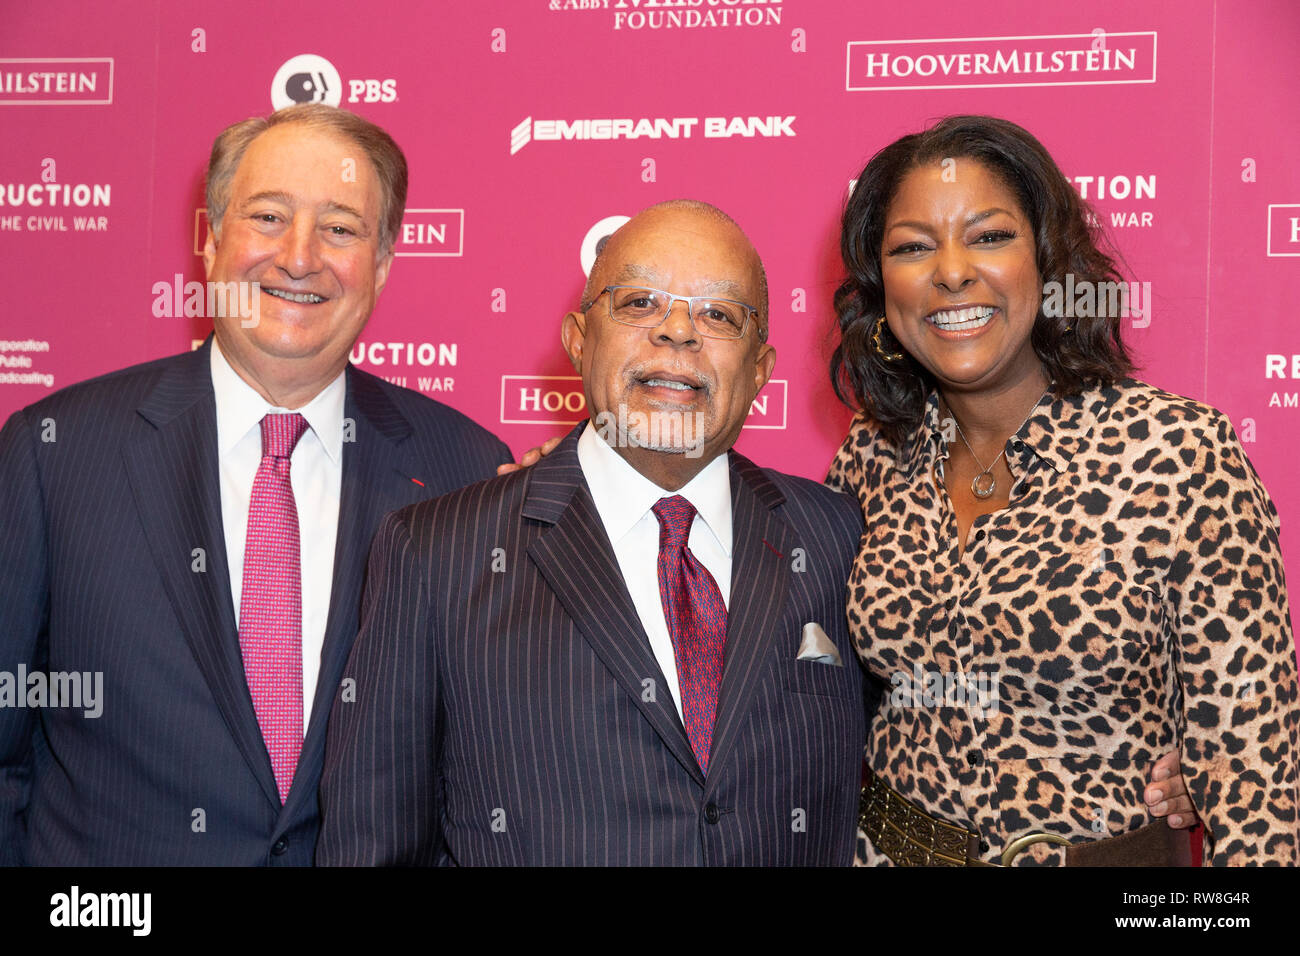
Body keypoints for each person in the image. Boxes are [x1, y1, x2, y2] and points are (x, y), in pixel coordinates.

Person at [0, 104, 511, 865]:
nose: (299, 257)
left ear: (382, 262)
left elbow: (480, 779)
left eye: (340, 228)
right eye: (268, 217)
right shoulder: (53, 452)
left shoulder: (464, 470)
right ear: (209, 241)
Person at [318, 200, 867, 865]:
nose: (678, 333)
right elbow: (374, 844)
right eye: (639, 303)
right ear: (579, 340)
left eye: (719, 315)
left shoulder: (837, 537)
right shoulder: (435, 552)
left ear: (760, 369)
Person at [827, 114, 1298, 865]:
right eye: (912, 247)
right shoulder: (871, 458)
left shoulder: (1178, 455)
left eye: (989, 236)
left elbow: (1253, 779)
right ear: (881, 288)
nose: (951, 271)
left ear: (1049, 263)